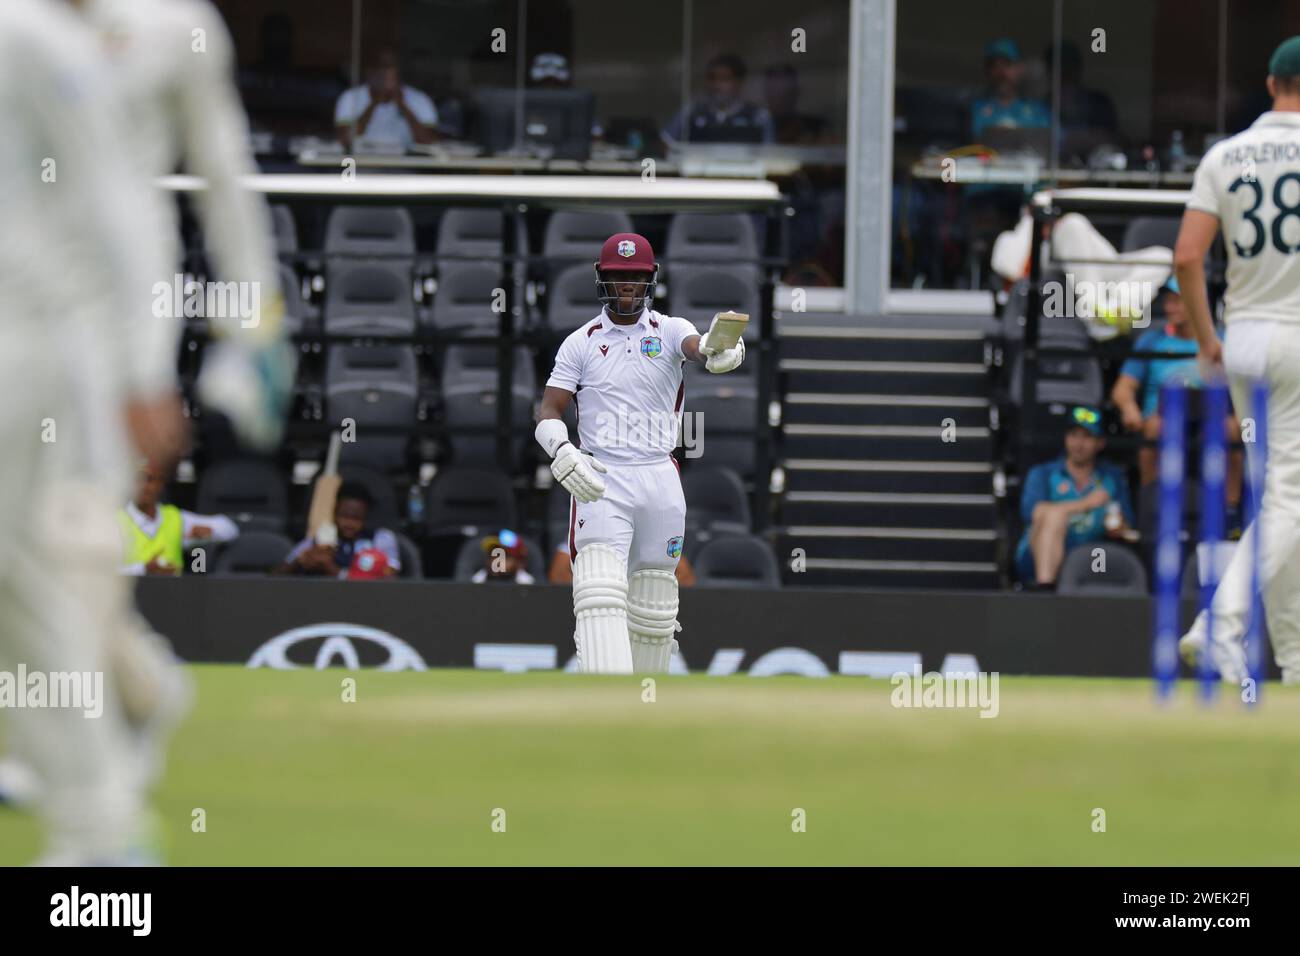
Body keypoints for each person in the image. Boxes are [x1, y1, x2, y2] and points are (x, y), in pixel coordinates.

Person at [0, 0, 188, 862]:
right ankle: (100, 803)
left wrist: (144, 370)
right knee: (29, 579)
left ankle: (95, 822)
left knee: (30, 574)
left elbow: (121, 205)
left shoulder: (35, 40)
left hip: (28, 348)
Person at [72, 0, 296, 454]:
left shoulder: (179, 27)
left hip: (127, 291)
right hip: (20, 292)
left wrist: (256, 322)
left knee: (108, 469)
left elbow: (223, 177)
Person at [535, 233, 746, 673]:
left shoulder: (670, 329)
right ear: (602, 280)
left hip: (659, 476)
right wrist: (562, 450)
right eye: (618, 277)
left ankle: (645, 711)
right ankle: (606, 706)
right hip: (602, 478)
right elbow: (549, 409)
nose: (627, 285)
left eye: (635, 277)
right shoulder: (581, 342)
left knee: (654, 602)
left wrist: (721, 348)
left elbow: (699, 348)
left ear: (650, 280)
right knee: (599, 590)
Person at [1175, 37, 1300, 685]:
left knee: (1279, 503)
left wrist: (1204, 338)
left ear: (1271, 83)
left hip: (1244, 338)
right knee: (1290, 502)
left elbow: (1188, 256)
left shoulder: (1225, 155)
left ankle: (1295, 657)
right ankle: (1218, 624)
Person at [1111, 278, 1243, 510]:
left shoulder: (1222, 340)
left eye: (1177, 302)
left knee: (1234, 428)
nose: (1169, 308)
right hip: (1163, 419)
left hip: (1211, 416)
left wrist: (1245, 416)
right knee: (1152, 428)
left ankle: (1231, 509)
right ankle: (1150, 506)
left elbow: (1244, 386)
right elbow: (1122, 388)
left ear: (1196, 301)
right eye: (1168, 302)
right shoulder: (1151, 341)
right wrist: (1129, 409)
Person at [1014, 407, 1135, 589]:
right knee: (1054, 517)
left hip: (1093, 556)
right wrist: (1086, 503)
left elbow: (1127, 523)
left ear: (1100, 443)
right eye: (1073, 435)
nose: (1078, 443)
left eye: (1087, 437)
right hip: (1036, 556)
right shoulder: (1044, 473)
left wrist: (1117, 526)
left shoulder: (1111, 477)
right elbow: (1033, 512)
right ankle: (1045, 590)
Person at [118, 461, 240, 576]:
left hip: (174, 594)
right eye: (138, 480)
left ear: (160, 484)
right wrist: (144, 569)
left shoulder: (174, 517)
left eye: (150, 480)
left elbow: (230, 529)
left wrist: (210, 532)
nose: (144, 486)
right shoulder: (114, 521)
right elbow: (104, 574)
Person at [276, 483, 401, 579]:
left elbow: (390, 578)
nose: (349, 524)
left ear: (365, 517)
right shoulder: (319, 540)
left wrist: (331, 568)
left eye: (356, 518)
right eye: (344, 516)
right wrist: (301, 561)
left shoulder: (380, 539)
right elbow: (276, 576)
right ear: (334, 512)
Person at [335, 49, 438, 151]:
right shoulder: (350, 97)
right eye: (380, 67)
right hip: (362, 163)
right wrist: (374, 103)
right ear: (369, 71)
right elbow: (345, 140)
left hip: (405, 164)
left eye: (390, 67)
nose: (385, 73)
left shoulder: (419, 99)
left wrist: (402, 104)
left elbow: (428, 142)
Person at [662, 53, 774, 145]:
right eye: (713, 78)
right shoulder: (690, 114)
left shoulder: (758, 118)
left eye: (726, 79)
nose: (718, 85)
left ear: (739, 82)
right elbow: (666, 145)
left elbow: (772, 159)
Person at [969, 38, 1050, 142]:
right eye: (994, 66)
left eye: (1007, 65)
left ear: (1020, 68)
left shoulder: (1039, 110)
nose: (1002, 73)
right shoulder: (975, 108)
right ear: (987, 71)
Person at [549, 542, 696, 586]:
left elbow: (687, 581)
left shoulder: (659, 543)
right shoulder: (577, 544)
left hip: (643, 607)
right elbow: (558, 579)